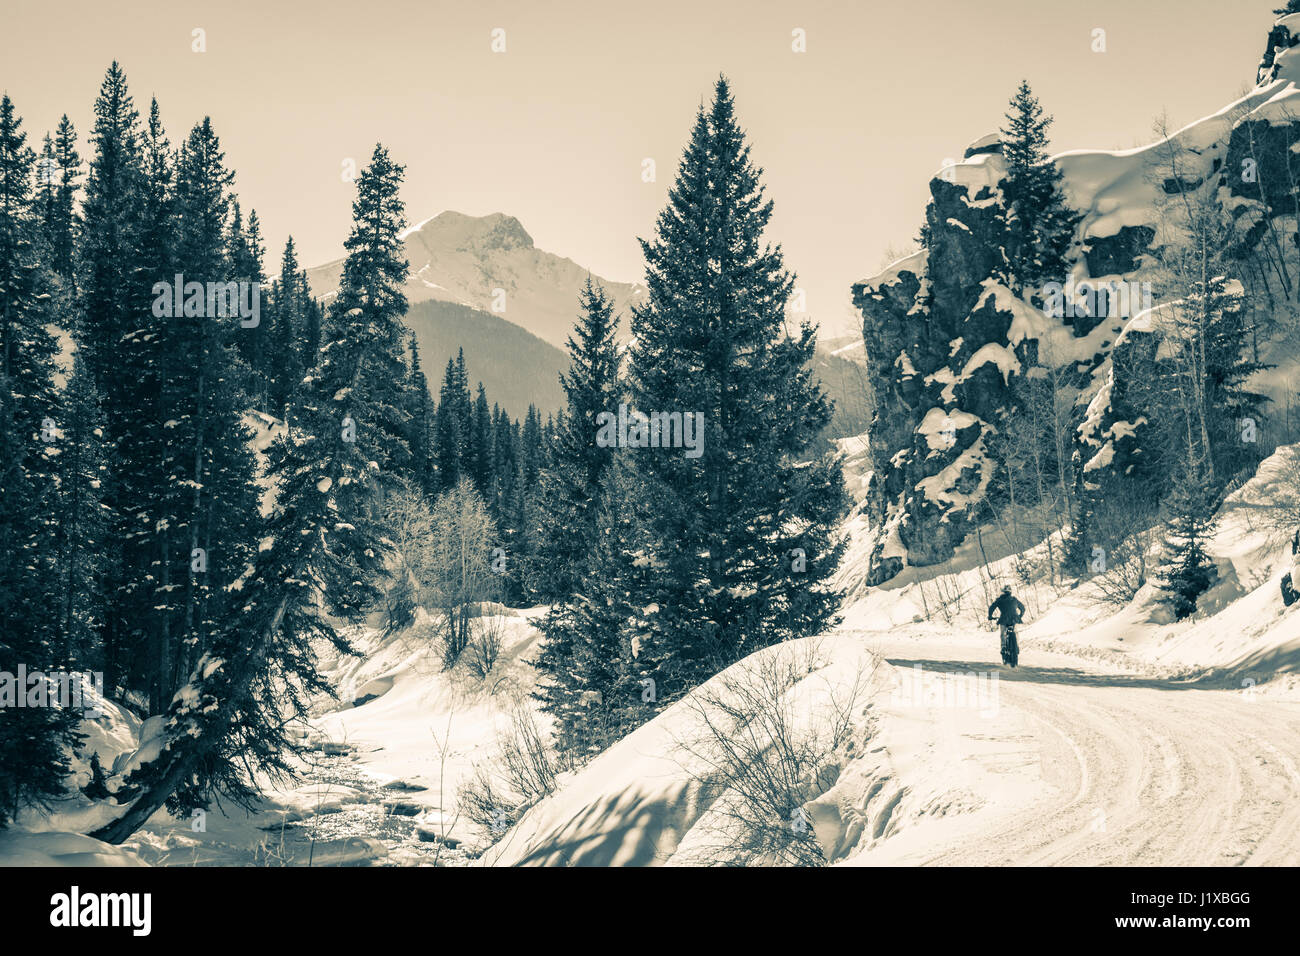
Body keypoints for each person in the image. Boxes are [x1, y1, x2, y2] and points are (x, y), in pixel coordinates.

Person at [987, 585, 1025, 667]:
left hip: (1004, 619)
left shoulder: (999, 600)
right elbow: (1023, 608)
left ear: (1003, 592)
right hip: (1014, 619)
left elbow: (991, 608)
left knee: (1003, 634)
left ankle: (1003, 647)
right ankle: (1016, 646)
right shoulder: (1014, 599)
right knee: (1016, 632)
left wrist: (990, 616)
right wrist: (1020, 616)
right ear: (1010, 592)